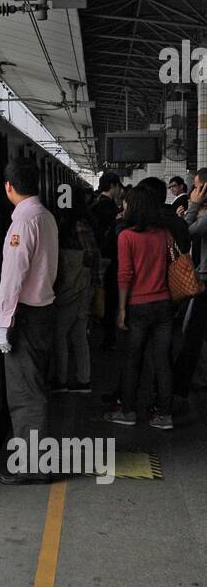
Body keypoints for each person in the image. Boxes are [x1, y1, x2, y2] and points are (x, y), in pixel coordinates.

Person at [0, 159, 59, 484]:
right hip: (44, 312)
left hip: (26, 316)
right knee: (35, 387)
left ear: (9, 186)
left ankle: (34, 465)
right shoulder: (45, 216)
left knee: (25, 394)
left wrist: (3, 322)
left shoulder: (23, 221)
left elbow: (13, 276)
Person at [106, 183, 174, 430]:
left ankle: (128, 411)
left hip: (138, 306)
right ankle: (164, 416)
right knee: (162, 362)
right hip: (164, 304)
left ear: (133, 207)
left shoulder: (126, 236)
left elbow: (125, 274)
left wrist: (122, 309)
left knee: (132, 361)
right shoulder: (163, 234)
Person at [172, 177, 207, 401]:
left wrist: (192, 208)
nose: (193, 190)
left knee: (192, 331)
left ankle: (188, 382)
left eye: (196, 186)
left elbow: (186, 234)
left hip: (205, 280)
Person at [52, 210, 93, 394]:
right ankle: (84, 380)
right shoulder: (84, 254)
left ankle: (61, 379)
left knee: (59, 336)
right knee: (80, 338)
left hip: (66, 298)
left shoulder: (60, 253)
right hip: (83, 294)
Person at [90, 172, 123, 349]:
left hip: (100, 257)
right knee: (109, 298)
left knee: (102, 296)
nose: (120, 190)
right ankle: (109, 337)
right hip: (109, 259)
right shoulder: (108, 207)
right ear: (112, 185)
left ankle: (104, 331)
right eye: (118, 186)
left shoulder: (95, 204)